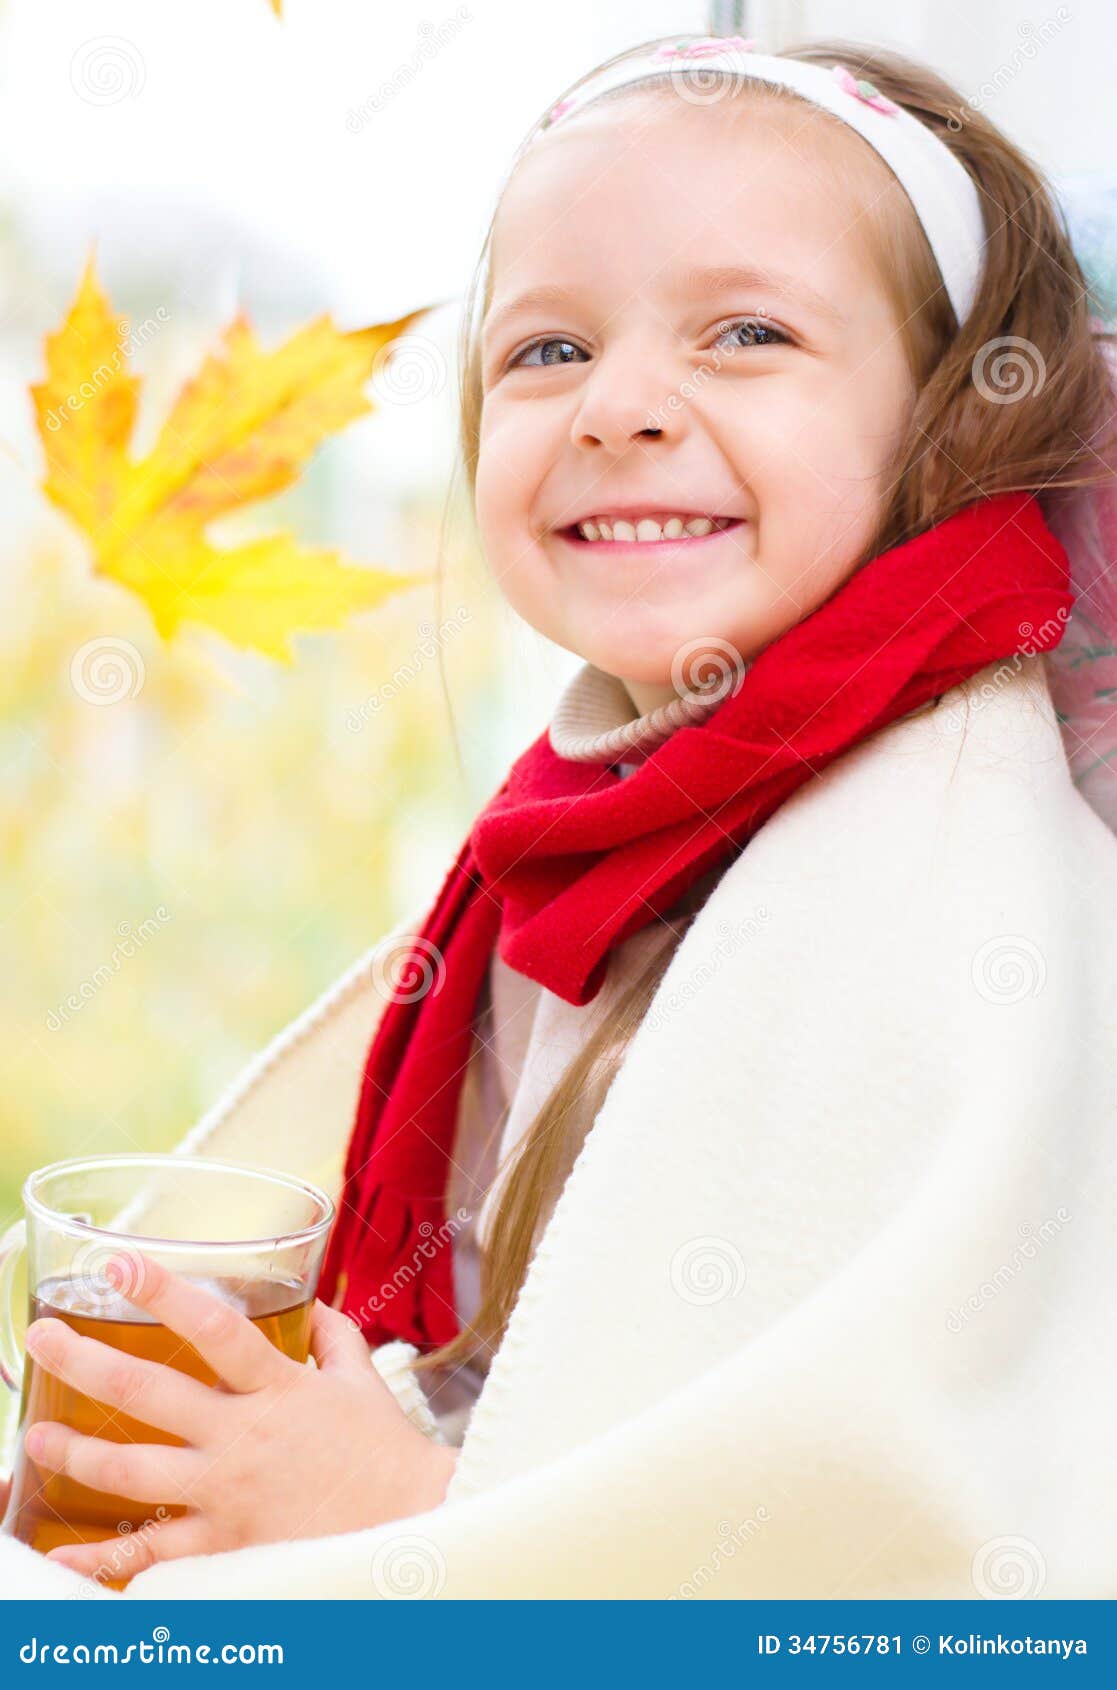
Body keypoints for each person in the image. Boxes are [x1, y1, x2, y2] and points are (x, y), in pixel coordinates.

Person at [6, 32, 1117, 1598]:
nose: (617, 406)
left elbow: (911, 1528)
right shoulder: (604, 825)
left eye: (743, 332)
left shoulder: (952, 874)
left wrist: (409, 1506)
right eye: (544, 350)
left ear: (946, 420)